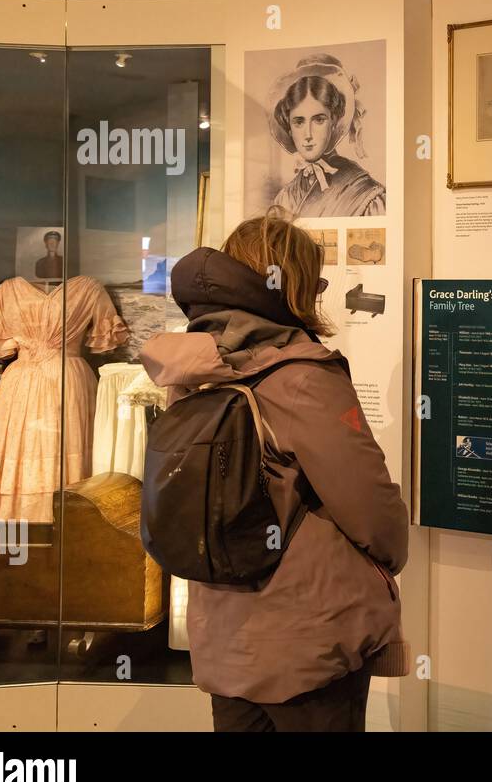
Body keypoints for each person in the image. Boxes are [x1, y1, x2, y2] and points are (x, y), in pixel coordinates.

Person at [141, 207, 408, 731]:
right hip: (308, 641)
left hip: (224, 639)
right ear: (296, 288)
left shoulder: (195, 370)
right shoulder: (302, 375)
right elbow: (370, 507)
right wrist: (393, 555)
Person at [269, 54, 386, 217]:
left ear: (334, 122)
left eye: (318, 120)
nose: (308, 134)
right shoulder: (284, 198)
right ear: (289, 127)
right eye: (299, 122)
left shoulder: (365, 194)